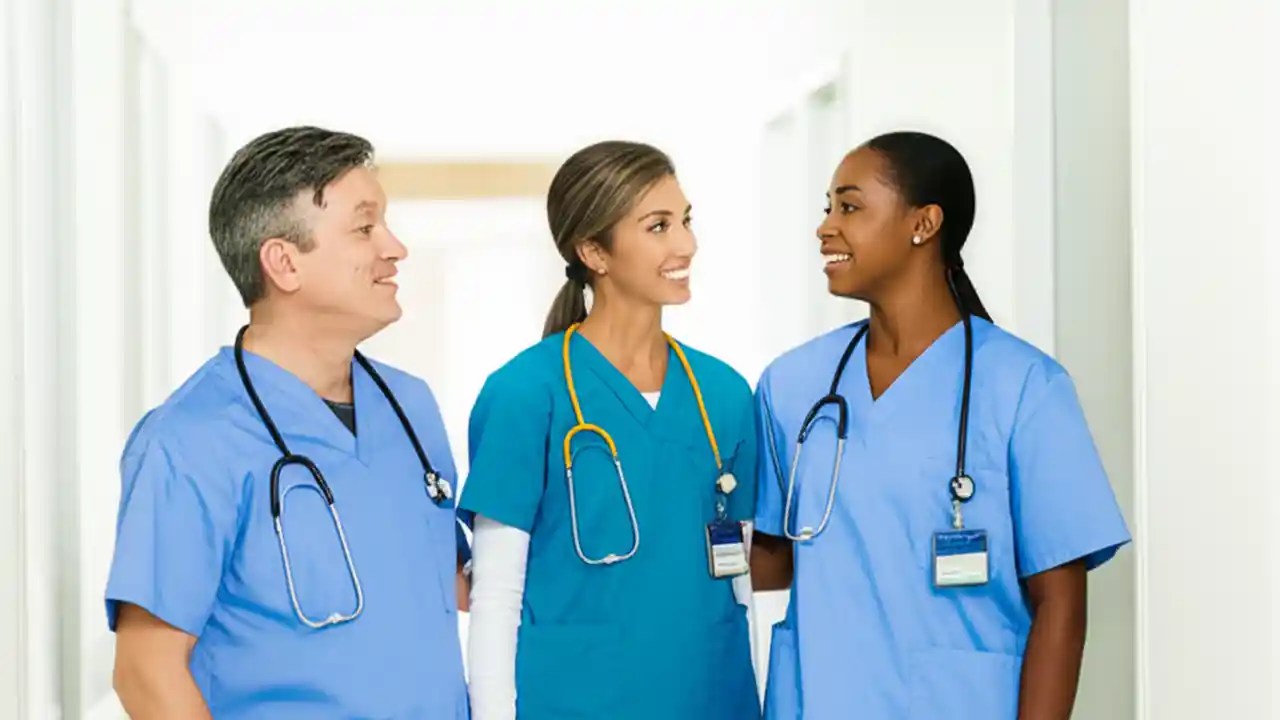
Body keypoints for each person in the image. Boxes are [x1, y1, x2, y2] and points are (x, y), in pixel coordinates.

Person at [750, 131, 1131, 720]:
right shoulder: (793, 384)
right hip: (818, 700)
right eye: (828, 208)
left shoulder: (1025, 387)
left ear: (923, 223)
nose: (826, 227)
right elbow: (768, 560)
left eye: (849, 207)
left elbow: (1061, 607)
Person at [104, 126, 470, 719]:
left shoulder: (410, 407)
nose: (395, 248)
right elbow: (146, 673)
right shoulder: (189, 440)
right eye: (364, 227)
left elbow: (452, 580)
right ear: (283, 262)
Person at [459, 140, 760, 720]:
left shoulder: (721, 393)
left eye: (686, 220)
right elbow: (496, 598)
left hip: (713, 701)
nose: (685, 243)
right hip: (575, 702)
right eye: (658, 226)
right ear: (594, 250)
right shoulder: (526, 395)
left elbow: (736, 584)